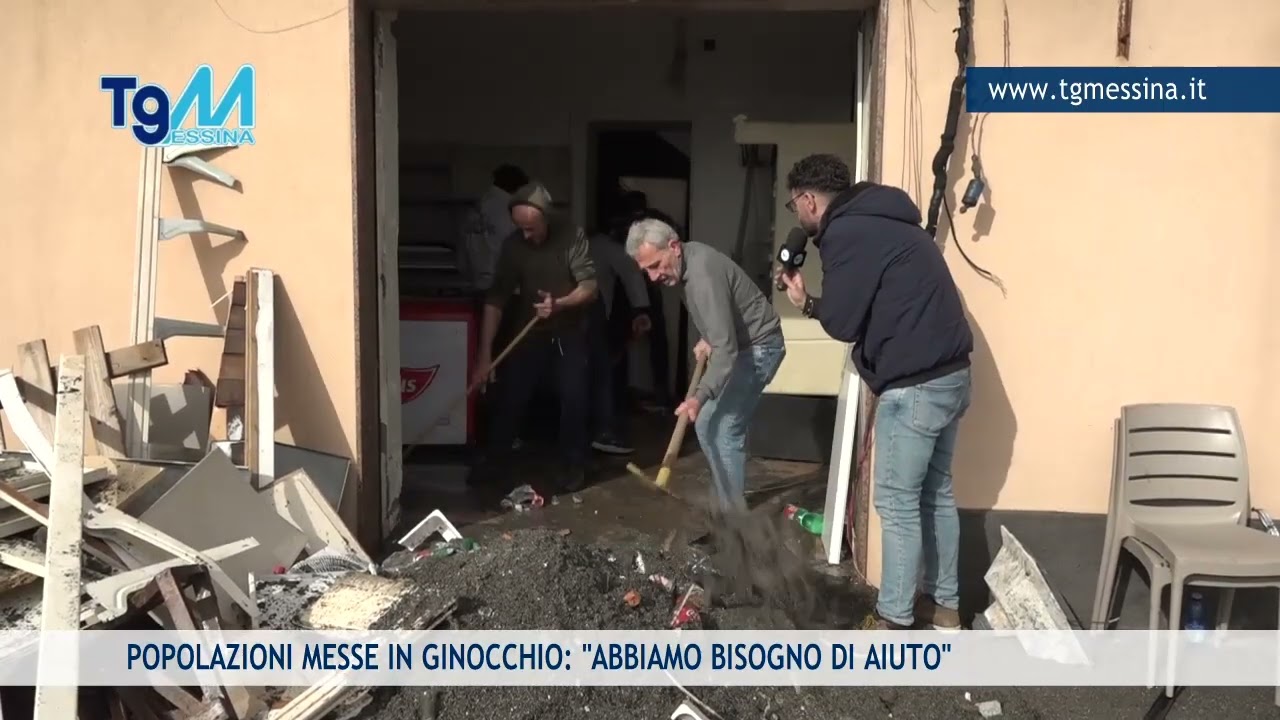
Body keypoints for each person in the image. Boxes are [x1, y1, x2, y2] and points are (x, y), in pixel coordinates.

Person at [775, 153, 974, 632]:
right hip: (953, 375)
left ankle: (895, 619)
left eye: (793, 207)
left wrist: (804, 303)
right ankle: (945, 607)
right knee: (936, 495)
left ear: (808, 201)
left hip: (916, 387)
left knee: (898, 502)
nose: (796, 217)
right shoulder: (889, 221)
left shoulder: (847, 233)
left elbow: (844, 322)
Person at [626, 218, 785, 514]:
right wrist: (709, 337)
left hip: (760, 348)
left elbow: (727, 350)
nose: (653, 277)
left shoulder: (701, 277)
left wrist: (699, 396)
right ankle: (727, 501)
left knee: (723, 428)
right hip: (741, 346)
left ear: (673, 247)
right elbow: (720, 316)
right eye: (646, 270)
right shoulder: (689, 259)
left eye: (656, 265)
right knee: (707, 424)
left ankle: (733, 517)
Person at [474, 183, 598, 493]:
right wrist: (484, 355)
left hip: (569, 331)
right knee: (511, 396)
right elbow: (496, 299)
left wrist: (559, 304)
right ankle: (495, 462)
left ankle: (573, 465)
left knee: (574, 399)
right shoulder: (514, 246)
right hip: (529, 330)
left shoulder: (572, 236)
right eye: (520, 228)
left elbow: (589, 287)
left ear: (547, 218)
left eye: (530, 228)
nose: (525, 235)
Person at [587, 222, 652, 455]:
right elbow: (632, 273)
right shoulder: (606, 246)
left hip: (567, 315)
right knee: (602, 375)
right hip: (589, 317)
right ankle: (603, 431)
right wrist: (641, 309)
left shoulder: (587, 244)